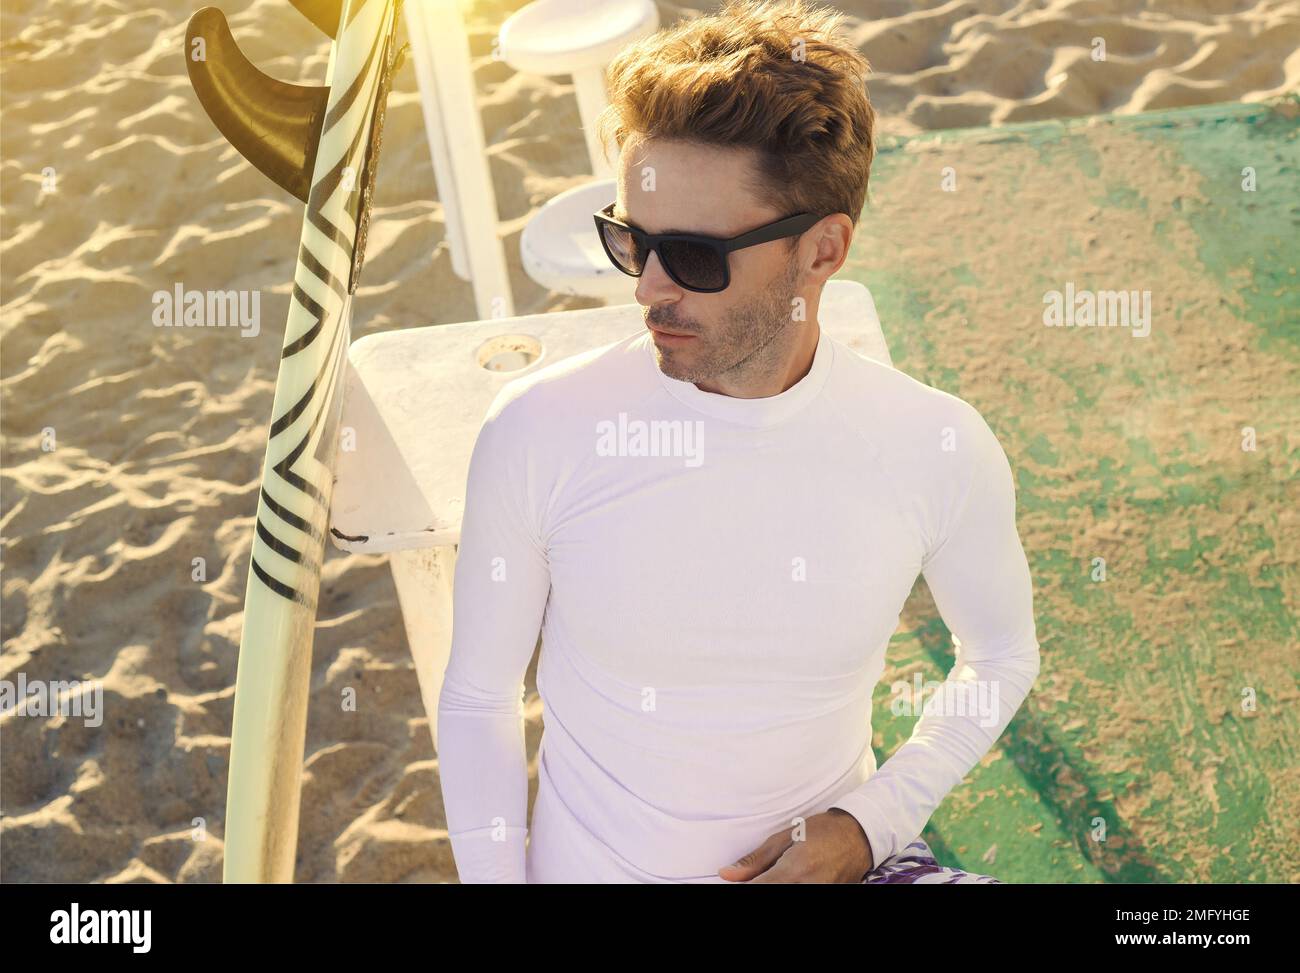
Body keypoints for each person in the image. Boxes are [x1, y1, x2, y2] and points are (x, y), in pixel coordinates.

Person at [435, 0, 1040, 884]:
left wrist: (871, 824)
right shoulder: (540, 431)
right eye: (631, 241)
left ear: (823, 251)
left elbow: (1001, 652)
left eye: (693, 256)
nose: (647, 288)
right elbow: (480, 697)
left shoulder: (934, 445)